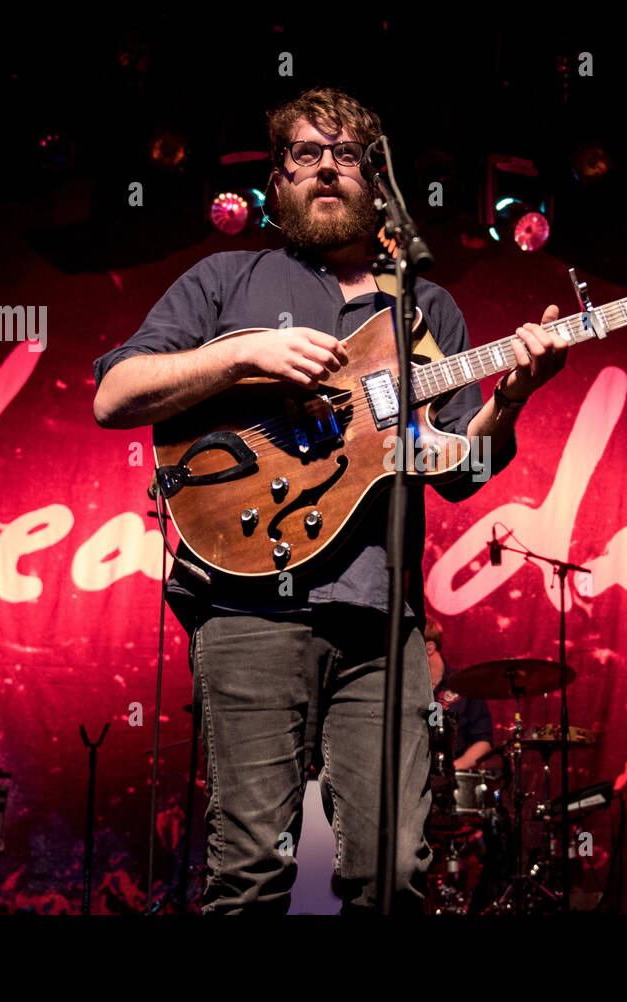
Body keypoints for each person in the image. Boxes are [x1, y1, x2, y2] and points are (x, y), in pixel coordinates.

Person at [92, 87, 569, 913]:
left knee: (391, 874)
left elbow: (462, 464)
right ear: (276, 183)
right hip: (245, 605)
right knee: (250, 872)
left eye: (345, 154)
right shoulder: (225, 281)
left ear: (376, 182)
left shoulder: (425, 309)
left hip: (381, 624)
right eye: (304, 154)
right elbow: (116, 395)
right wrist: (247, 354)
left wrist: (516, 396)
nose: (324, 167)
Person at [425, 617, 493, 769]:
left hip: (452, 780)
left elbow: (483, 740)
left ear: (429, 648)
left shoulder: (464, 685)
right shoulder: (403, 688)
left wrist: (452, 770)